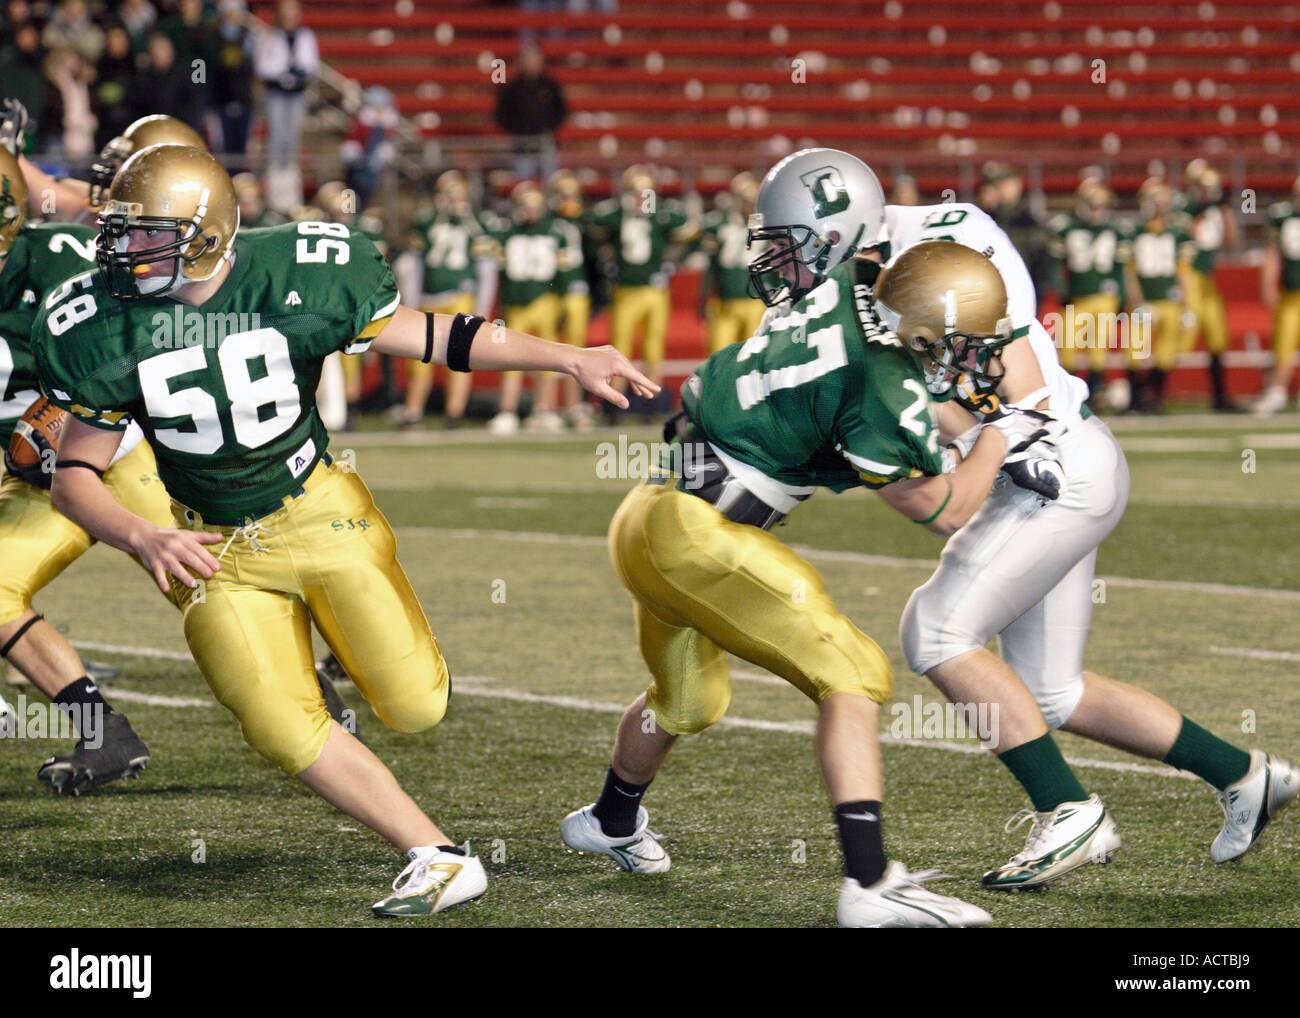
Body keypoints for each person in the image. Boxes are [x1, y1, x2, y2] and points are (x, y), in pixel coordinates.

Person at [33, 143, 657, 914]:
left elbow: (440, 337)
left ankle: (352, 672)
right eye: (118, 233)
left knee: (415, 707)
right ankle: (438, 856)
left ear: (206, 235)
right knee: (275, 724)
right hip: (212, 548)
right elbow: (74, 478)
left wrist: (566, 357)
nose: (120, 252)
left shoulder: (303, 270)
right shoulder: (96, 323)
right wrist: (142, 535)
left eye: (144, 234)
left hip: (322, 511)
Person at [561, 157, 1071, 927]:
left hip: (647, 517)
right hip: (698, 534)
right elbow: (940, 510)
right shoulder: (888, 379)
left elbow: (900, 390)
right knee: (854, 669)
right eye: (965, 345)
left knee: (690, 700)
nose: (971, 361)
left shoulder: (838, 292)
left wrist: (981, 433)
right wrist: (1003, 435)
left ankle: (609, 821)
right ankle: (870, 884)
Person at [768, 147, 1296, 889]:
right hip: (1040, 468)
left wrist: (929, 442)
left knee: (936, 630)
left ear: (837, 227)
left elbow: (1016, 389)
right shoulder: (856, 281)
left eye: (792, 243)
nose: (784, 265)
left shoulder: (947, 242)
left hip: (1048, 463)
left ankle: (1067, 808)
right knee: (1050, 693)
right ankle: (1245, 774)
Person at [0, 144, 166, 793]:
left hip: (120, 454)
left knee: (215, 590)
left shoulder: (57, 258)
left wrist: (67, 403)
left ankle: (314, 691)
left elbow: (144, 333)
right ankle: (105, 734)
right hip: (37, 479)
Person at [589, 164, 698, 417]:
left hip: (654, 290)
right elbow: (594, 230)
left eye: (645, 191)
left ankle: (651, 400)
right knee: (620, 344)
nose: (640, 197)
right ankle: (614, 403)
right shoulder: (615, 215)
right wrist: (607, 257)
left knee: (653, 345)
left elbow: (691, 232)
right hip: (626, 289)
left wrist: (673, 259)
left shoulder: (661, 214)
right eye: (634, 191)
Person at [401, 170, 497, 428]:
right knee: (420, 357)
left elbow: (487, 271)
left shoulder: (477, 225)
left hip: (460, 297)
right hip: (428, 298)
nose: (456, 200)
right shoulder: (427, 222)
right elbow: (413, 268)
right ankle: (413, 412)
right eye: (451, 195)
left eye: (460, 195)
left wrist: (482, 308)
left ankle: (454, 413)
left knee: (458, 357)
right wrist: (410, 303)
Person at [486, 180, 583, 434]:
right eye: (526, 205)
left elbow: (563, 274)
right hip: (517, 303)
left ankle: (544, 409)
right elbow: (501, 273)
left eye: (535, 205)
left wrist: (562, 305)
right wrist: (503, 305)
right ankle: (507, 410)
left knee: (547, 358)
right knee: (509, 358)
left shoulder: (556, 230)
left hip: (546, 300)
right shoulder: (508, 232)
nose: (531, 210)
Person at [1046, 179, 1129, 402]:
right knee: (1067, 347)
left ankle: (1093, 393)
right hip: (1077, 295)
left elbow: (1121, 270)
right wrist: (1061, 290)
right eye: (1092, 204)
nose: (1096, 210)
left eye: (1100, 205)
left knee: (1098, 347)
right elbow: (1055, 265)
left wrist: (1123, 296)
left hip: (1105, 295)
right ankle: (1068, 393)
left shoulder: (1115, 230)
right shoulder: (1066, 228)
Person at [1125, 178, 1194, 414]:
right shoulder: (1132, 231)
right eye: (1155, 201)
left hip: (1169, 297)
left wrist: (1186, 302)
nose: (1159, 206)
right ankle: (1135, 398)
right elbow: (1129, 270)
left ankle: (1154, 395)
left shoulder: (1179, 232)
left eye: (1163, 201)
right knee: (1136, 348)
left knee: (1167, 351)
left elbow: (1183, 270)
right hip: (1144, 298)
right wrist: (1138, 300)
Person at [1178, 160, 1240, 411]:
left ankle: (1220, 395)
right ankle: (1151, 392)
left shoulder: (1216, 209)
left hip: (1207, 279)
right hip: (1187, 275)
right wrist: (1201, 208)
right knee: (1183, 334)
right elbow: (1185, 236)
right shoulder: (1185, 207)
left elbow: (1232, 241)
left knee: (1218, 335)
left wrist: (1223, 208)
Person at [254, 0, 318, 211]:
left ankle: (290, 192)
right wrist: (281, 75)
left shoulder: (305, 35)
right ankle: (273, 191)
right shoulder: (269, 35)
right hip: (276, 93)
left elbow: (311, 63)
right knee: (277, 138)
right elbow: (263, 65)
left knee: (292, 139)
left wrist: (297, 74)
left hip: (297, 93)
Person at [696, 170, 765, 354]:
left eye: (752, 200)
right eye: (745, 199)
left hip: (756, 303)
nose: (749, 205)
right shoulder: (719, 224)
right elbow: (712, 266)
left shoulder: (768, 225)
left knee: (754, 359)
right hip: (725, 302)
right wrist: (704, 295)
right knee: (719, 356)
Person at [1253, 175, 1300, 415]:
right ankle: (1278, 391)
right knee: (1284, 342)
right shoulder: (1284, 218)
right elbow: (1273, 253)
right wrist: (1268, 283)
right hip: (1293, 293)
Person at [493, 46, 566, 181]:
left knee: (550, 176)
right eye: (529, 61)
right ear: (522, 63)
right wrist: (517, 129)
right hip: (522, 141)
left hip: (544, 138)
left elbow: (561, 110)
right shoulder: (512, 88)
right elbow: (502, 114)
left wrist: (548, 126)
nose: (532, 65)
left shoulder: (550, 85)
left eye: (535, 61)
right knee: (523, 177)